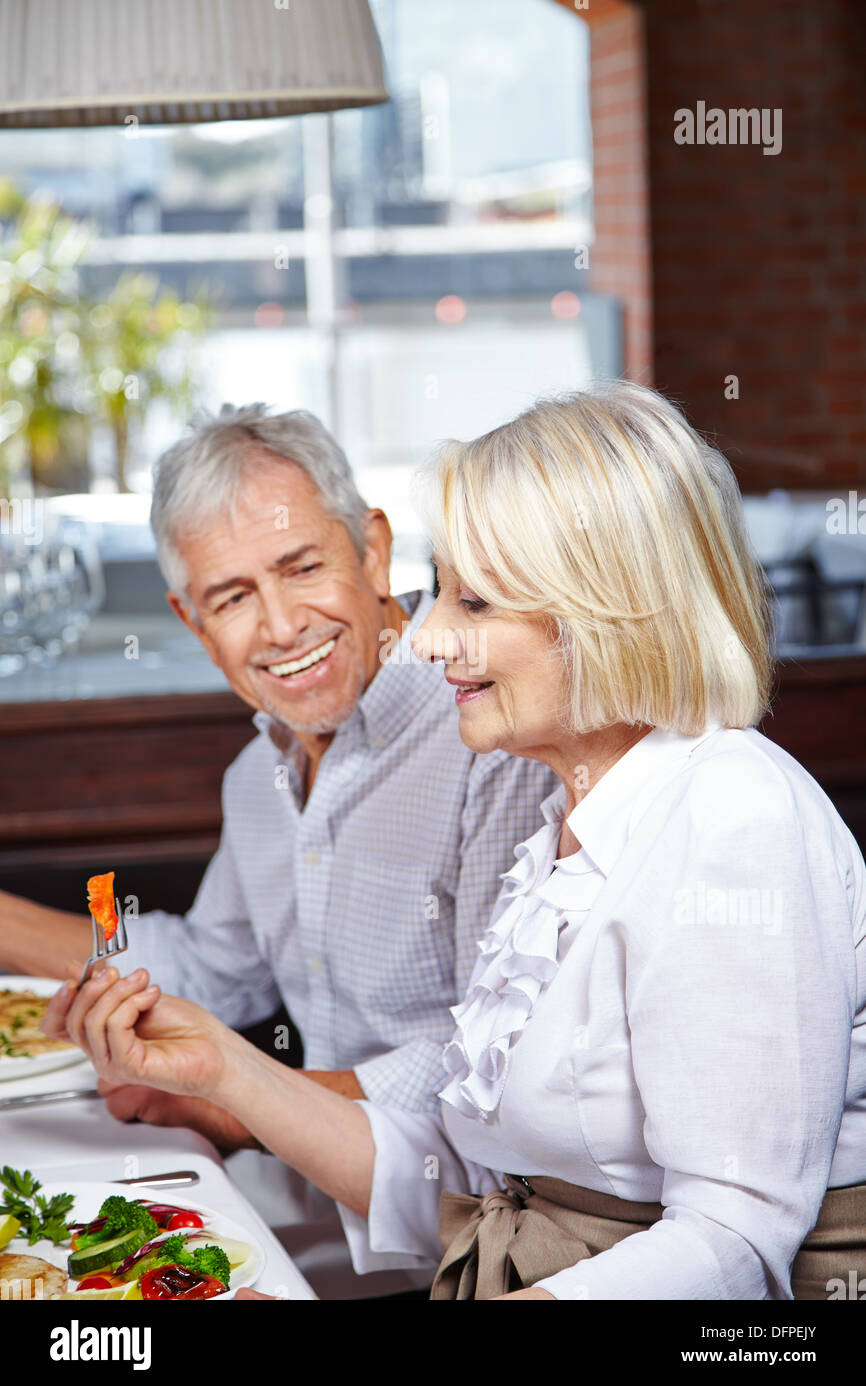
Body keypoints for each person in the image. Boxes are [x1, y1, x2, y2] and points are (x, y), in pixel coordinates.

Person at [44, 382, 866, 1300]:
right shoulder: (569, 822)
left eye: (472, 603)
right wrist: (224, 1069)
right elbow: (467, 1187)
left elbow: (734, 1243)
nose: (427, 640)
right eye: (442, 594)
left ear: (606, 607)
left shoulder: (736, 815)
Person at [1, 404, 554, 1297]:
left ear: (372, 548)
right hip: (311, 1211)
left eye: (302, 567)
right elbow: (204, 967)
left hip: (468, 1238)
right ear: (191, 620)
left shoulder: (491, 733)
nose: (282, 625)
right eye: (232, 597)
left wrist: (237, 1100)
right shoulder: (255, 777)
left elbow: (486, 1062)